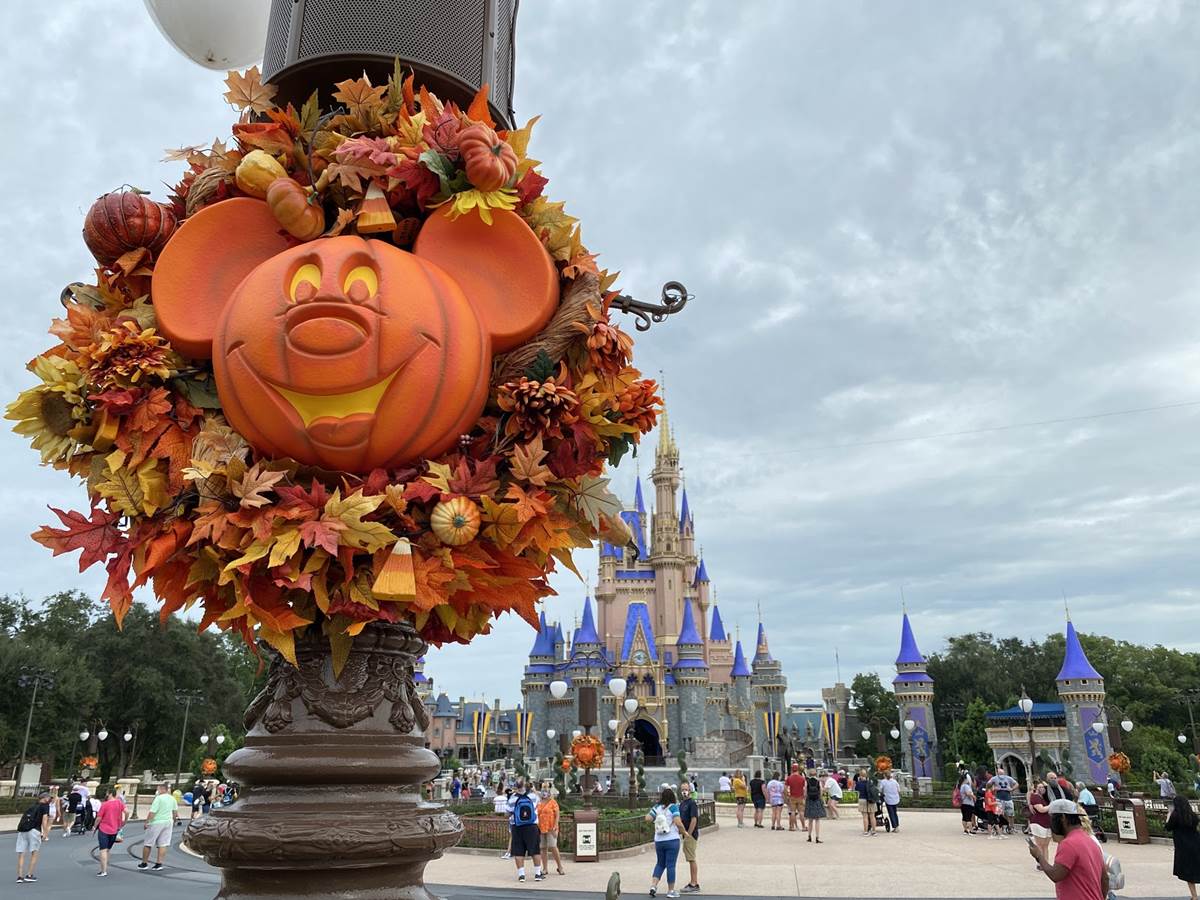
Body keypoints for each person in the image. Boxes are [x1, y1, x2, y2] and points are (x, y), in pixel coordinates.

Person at [1027, 798, 1107, 900]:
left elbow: (1056, 875)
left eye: (1051, 819)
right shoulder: (1091, 840)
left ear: (1063, 818)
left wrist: (1039, 856)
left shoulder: (1068, 843)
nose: (1050, 824)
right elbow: (1105, 878)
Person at [645, 786, 684, 898]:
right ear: (673, 797)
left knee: (660, 863)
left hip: (659, 840)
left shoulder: (657, 807)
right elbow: (678, 822)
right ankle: (670, 891)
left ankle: (653, 886)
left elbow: (647, 818)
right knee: (671, 865)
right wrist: (684, 832)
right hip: (672, 839)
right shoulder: (673, 807)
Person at [506, 779, 544, 883]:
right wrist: (533, 790)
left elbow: (508, 813)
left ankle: (521, 875)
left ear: (515, 786)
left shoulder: (512, 799)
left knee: (518, 851)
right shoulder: (532, 796)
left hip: (517, 826)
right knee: (535, 850)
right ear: (526, 785)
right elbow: (538, 804)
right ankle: (537, 873)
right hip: (532, 826)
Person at [1166, 794, 1200, 900]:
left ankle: (1194, 896)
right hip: (1196, 844)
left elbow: (1168, 827)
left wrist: (1168, 815)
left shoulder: (1175, 816)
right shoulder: (1193, 815)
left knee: (1188, 872)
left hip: (1183, 847)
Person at [139, 782, 178, 871]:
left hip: (157, 822)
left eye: (158, 789)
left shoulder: (158, 798)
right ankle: (159, 863)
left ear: (161, 789)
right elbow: (175, 812)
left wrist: (147, 822)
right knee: (163, 843)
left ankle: (144, 863)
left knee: (148, 843)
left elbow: (152, 812)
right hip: (168, 821)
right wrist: (173, 820)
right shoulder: (172, 799)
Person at [15, 792, 51, 884]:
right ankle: (29, 875)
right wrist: (45, 834)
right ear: (45, 798)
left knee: (21, 853)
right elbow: (44, 820)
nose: (49, 799)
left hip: (23, 830)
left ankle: (19, 876)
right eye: (48, 798)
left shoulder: (32, 806)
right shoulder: (45, 806)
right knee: (34, 853)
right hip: (34, 831)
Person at [95, 787, 125, 877]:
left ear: (111, 794)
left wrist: (94, 826)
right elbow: (127, 812)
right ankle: (105, 866)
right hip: (114, 830)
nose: (106, 795)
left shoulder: (105, 804)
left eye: (107, 793)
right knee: (108, 850)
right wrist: (124, 822)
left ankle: (103, 870)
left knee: (103, 850)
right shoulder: (120, 803)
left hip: (104, 829)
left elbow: (99, 818)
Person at [678, 780, 701, 894]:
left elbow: (694, 819)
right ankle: (692, 882)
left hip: (690, 835)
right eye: (682, 789)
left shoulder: (692, 803)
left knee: (691, 858)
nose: (684, 792)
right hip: (685, 834)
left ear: (690, 790)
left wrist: (688, 834)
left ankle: (694, 883)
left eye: (686, 789)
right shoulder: (682, 804)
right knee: (689, 858)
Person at [536, 783, 564, 876]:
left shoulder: (553, 802)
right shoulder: (539, 802)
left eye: (546, 790)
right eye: (543, 790)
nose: (544, 792)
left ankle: (560, 866)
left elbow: (557, 815)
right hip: (541, 827)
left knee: (553, 846)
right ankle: (545, 868)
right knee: (543, 848)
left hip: (551, 827)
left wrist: (555, 825)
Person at [1028, 780, 1054, 866]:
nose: (1042, 789)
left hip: (1046, 822)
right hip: (1038, 823)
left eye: (1043, 787)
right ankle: (1041, 863)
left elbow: (1048, 786)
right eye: (1039, 787)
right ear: (1035, 788)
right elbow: (1041, 809)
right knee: (1040, 844)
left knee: (1045, 845)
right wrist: (1052, 805)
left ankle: (1046, 862)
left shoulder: (1043, 797)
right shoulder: (1035, 797)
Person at [805, 769, 826, 843]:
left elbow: (805, 792)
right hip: (816, 800)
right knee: (817, 820)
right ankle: (817, 837)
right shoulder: (818, 782)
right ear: (815, 774)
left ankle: (809, 836)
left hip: (810, 801)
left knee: (810, 820)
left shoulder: (807, 782)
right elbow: (821, 791)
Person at [784, 764, 806, 832]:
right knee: (801, 812)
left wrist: (787, 795)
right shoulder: (802, 778)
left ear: (792, 769)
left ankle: (792, 827)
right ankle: (803, 827)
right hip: (800, 796)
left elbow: (785, 788)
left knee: (792, 812)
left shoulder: (789, 778)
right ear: (798, 769)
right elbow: (804, 788)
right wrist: (804, 796)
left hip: (792, 797)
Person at [854, 769, 875, 836]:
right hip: (871, 800)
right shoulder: (870, 782)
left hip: (862, 799)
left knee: (865, 817)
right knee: (872, 816)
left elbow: (856, 789)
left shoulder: (859, 783)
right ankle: (873, 831)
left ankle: (866, 831)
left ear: (860, 775)